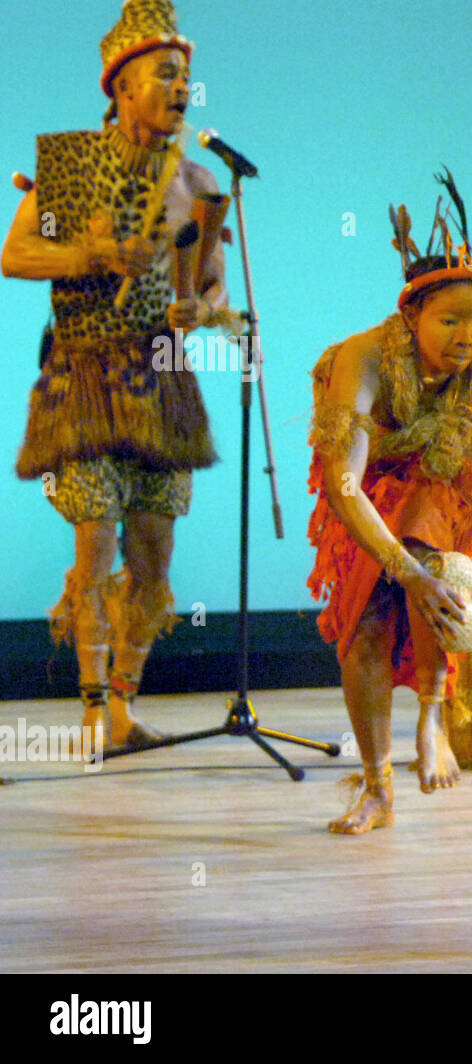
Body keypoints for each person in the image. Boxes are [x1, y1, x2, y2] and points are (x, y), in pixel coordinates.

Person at [2, 0, 227, 748]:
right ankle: (94, 706)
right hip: (86, 374)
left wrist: (201, 305)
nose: (179, 89)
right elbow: (15, 255)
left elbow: (213, 275)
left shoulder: (194, 180)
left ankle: (125, 703)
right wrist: (89, 257)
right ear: (122, 86)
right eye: (165, 74)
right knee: (95, 544)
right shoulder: (71, 169)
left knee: (155, 554)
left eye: (185, 76)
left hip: (160, 376)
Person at [307, 174, 472, 834]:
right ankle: (377, 788)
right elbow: (343, 483)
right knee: (363, 631)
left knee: (425, 528)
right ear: (412, 315)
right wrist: (405, 571)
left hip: (442, 499)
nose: (468, 335)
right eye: (451, 320)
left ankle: (431, 710)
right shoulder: (363, 359)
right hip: (366, 500)